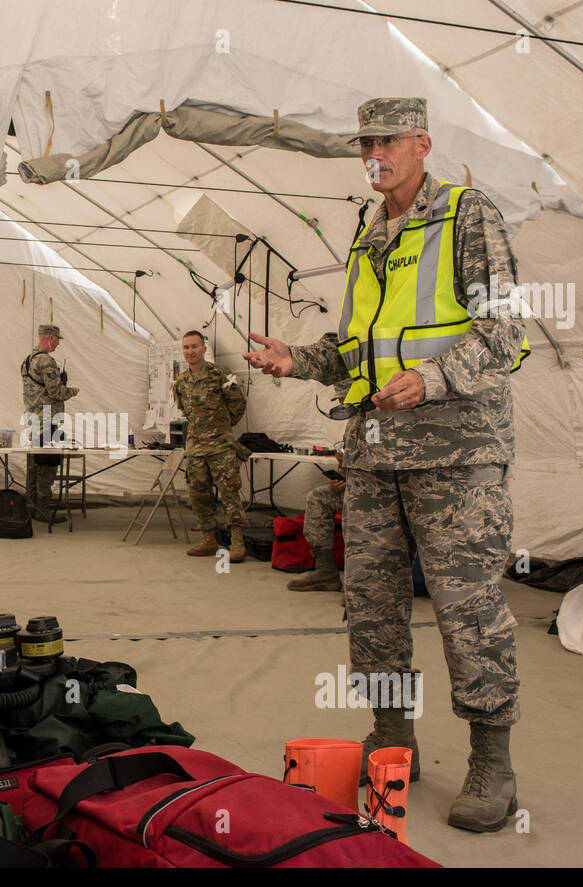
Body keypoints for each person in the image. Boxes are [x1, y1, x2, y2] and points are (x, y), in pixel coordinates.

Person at [245, 97, 530, 832]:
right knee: (370, 603)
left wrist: (434, 380)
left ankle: (492, 759)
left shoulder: (468, 216)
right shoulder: (370, 230)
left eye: (388, 139)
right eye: (365, 139)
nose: (374, 151)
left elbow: (506, 331)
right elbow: (358, 348)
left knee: (468, 610)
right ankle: (393, 731)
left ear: (423, 143)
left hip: (456, 455)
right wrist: (297, 359)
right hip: (374, 452)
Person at [172, 330, 249, 562]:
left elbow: (237, 405)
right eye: (186, 348)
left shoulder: (221, 375)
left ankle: (237, 542)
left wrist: (221, 428)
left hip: (220, 446)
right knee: (198, 494)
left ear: (204, 348)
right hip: (196, 448)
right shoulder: (181, 383)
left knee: (229, 493)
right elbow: (186, 412)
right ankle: (209, 540)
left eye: (194, 347)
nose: (190, 352)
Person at [21, 323, 78, 523]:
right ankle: (44, 508)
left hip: (33, 419)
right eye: (57, 340)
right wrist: (71, 390)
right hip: (47, 421)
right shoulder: (47, 361)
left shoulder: (28, 360)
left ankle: (32, 506)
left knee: (34, 465)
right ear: (51, 337)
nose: (57, 345)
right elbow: (56, 392)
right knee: (47, 465)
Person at [286, 452, 345, 591]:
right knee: (318, 497)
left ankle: (366, 583)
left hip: (384, 492)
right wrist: (342, 481)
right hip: (356, 488)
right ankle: (326, 571)